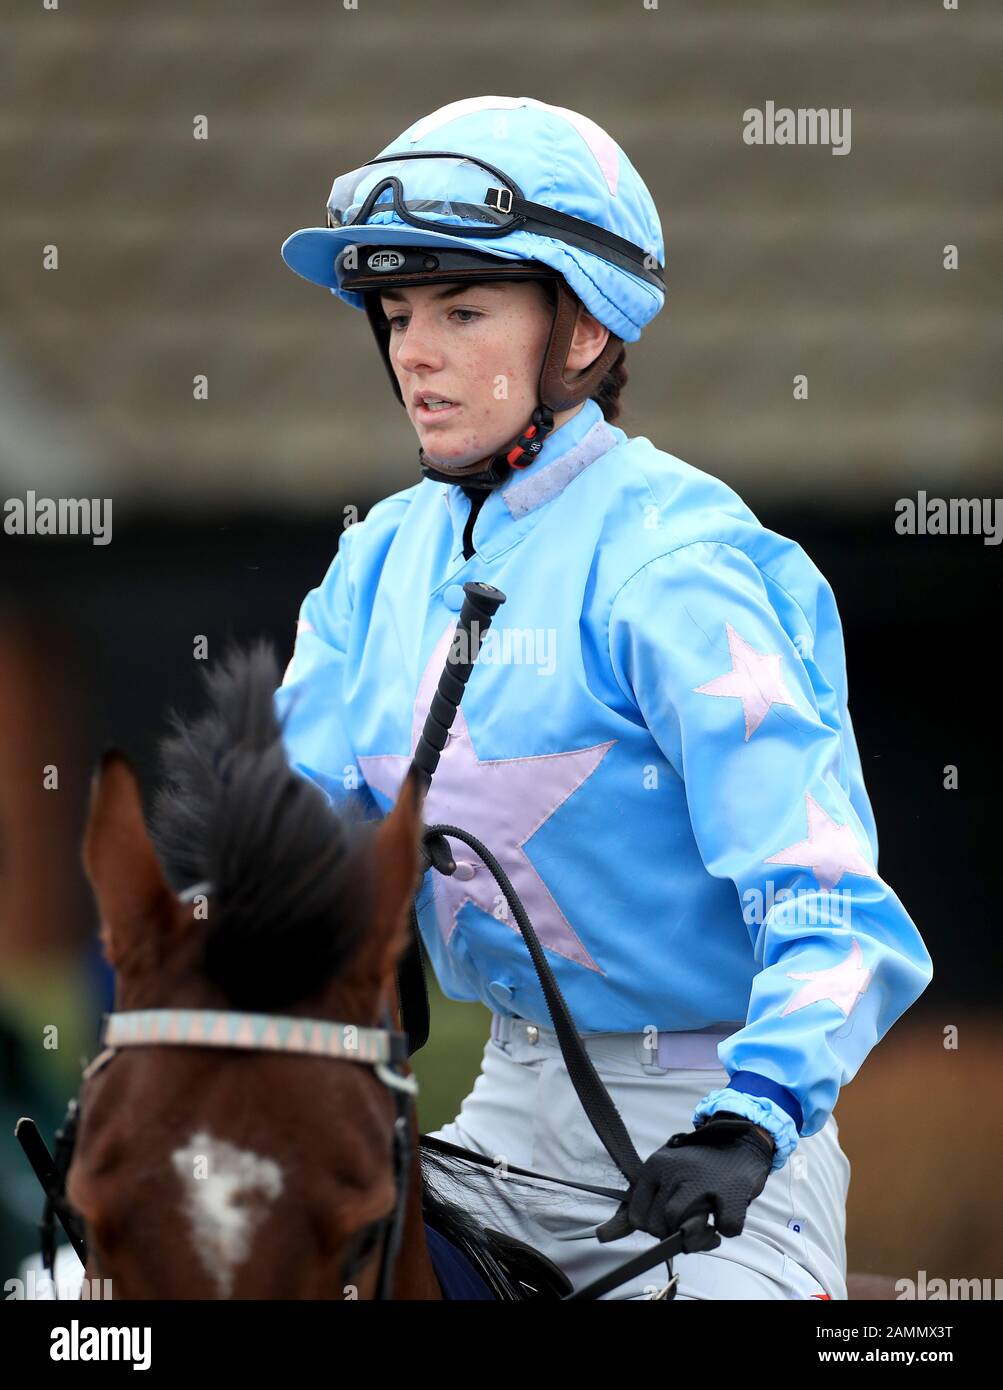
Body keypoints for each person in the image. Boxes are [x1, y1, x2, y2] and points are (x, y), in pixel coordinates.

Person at [274, 95, 933, 1300]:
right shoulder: (374, 563)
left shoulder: (680, 571)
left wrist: (749, 1123)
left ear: (580, 331)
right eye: (400, 315)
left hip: (718, 1136)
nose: (413, 352)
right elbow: (287, 843)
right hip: (504, 1112)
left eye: (462, 312)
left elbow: (834, 908)